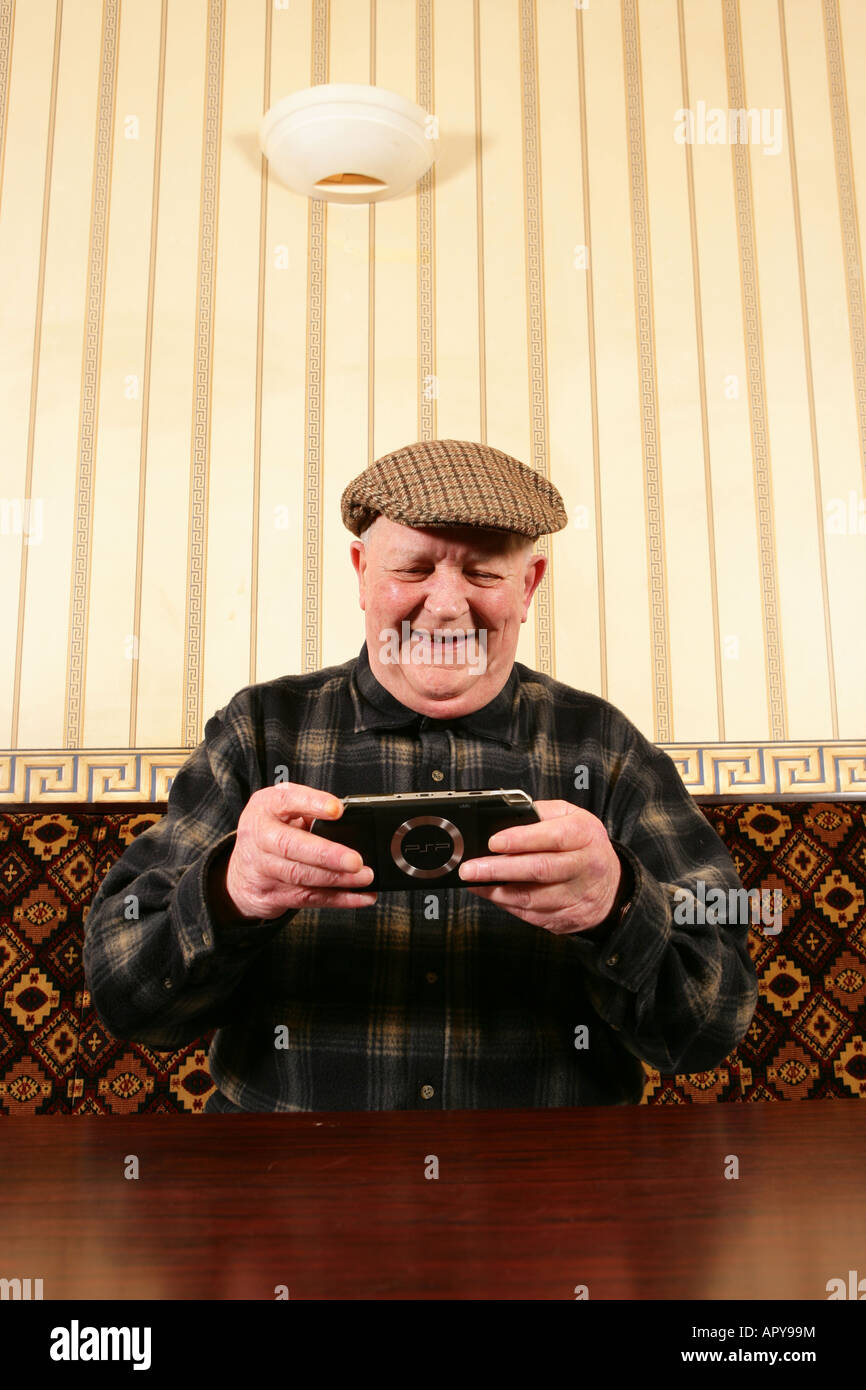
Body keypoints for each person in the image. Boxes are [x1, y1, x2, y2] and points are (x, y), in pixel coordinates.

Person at [83, 439, 758, 1112]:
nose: (445, 604)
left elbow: (711, 1028)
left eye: (484, 573)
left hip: (551, 1193)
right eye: (413, 567)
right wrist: (229, 893)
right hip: (289, 1192)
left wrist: (617, 905)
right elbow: (124, 996)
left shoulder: (605, 748)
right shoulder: (259, 731)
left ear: (527, 587)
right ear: (361, 572)